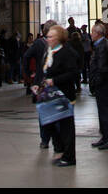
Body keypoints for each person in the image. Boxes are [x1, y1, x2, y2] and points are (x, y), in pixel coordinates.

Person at [34, 23, 80, 167]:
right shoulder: (49, 51)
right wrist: (39, 84)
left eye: (51, 37)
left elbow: (73, 73)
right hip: (51, 95)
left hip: (64, 95)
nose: (47, 39)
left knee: (66, 127)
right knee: (51, 123)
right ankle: (59, 150)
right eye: (47, 36)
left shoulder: (66, 52)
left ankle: (69, 156)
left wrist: (54, 81)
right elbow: (44, 71)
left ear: (59, 38)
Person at [22, 22, 55, 149]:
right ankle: (56, 139)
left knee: (43, 111)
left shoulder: (38, 43)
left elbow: (26, 56)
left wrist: (28, 73)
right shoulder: (59, 42)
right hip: (55, 80)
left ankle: (45, 139)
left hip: (41, 80)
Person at [88, 23, 108, 150]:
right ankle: (106, 137)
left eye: (93, 32)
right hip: (106, 82)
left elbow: (102, 67)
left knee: (106, 111)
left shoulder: (102, 46)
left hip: (104, 83)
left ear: (98, 33)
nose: (91, 34)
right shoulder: (103, 44)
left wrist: (96, 82)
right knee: (104, 111)